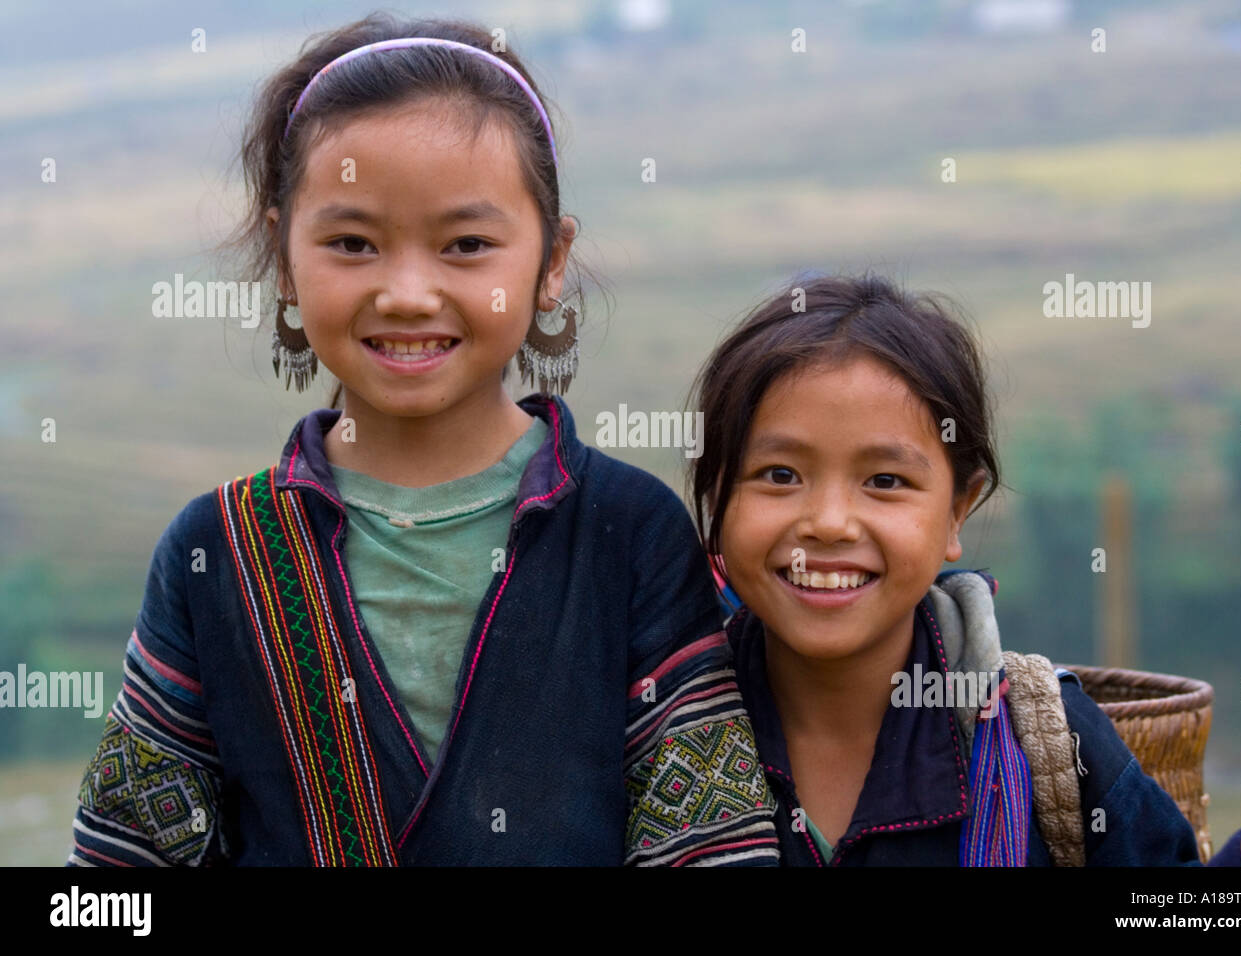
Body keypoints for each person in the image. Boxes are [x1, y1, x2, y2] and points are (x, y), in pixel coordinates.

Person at [67, 13, 777, 867]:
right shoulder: (217, 554)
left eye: (467, 245)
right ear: (283, 257)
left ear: (551, 261)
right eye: (353, 243)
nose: (407, 292)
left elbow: (712, 852)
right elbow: (117, 877)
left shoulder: (632, 537)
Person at [686, 270, 1241, 866]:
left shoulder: (1052, 747)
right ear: (716, 495)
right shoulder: (660, 737)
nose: (829, 522)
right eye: (780, 475)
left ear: (958, 511)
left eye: (884, 480)